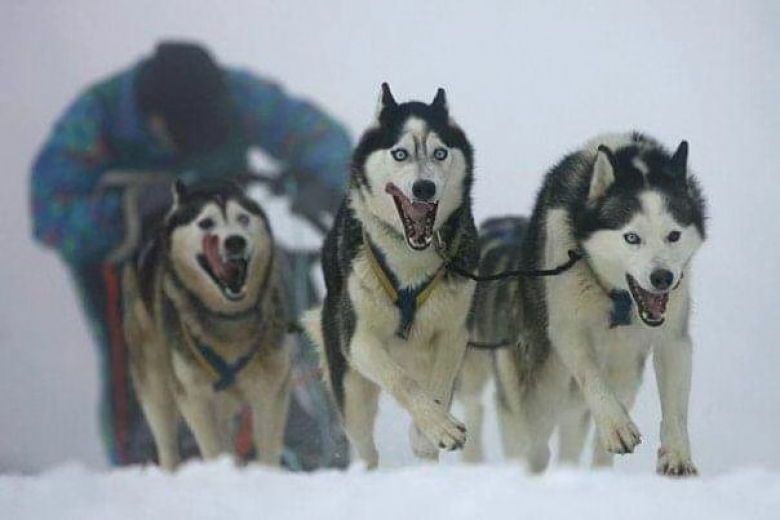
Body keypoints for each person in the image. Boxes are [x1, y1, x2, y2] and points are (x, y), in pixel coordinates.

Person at [30, 41, 352, 467]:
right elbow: (50, 213)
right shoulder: (97, 118)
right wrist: (129, 209)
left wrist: (323, 181)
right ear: (155, 120)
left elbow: (319, 137)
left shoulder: (238, 97)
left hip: (228, 238)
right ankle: (151, 452)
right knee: (141, 335)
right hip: (127, 256)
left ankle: (300, 431)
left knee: (280, 285)